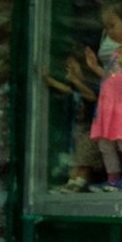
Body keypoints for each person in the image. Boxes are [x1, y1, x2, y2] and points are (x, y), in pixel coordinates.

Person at [84, 0, 122, 190]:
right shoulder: (116, 52)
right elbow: (110, 77)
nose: (109, 31)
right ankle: (112, 178)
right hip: (107, 108)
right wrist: (95, 67)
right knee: (105, 145)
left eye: (112, 25)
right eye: (106, 27)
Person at [44, 54, 103, 192]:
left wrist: (75, 80)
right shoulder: (75, 85)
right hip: (80, 130)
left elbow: (91, 96)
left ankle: (78, 184)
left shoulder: (91, 83)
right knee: (78, 160)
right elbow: (69, 91)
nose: (69, 68)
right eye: (67, 66)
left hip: (91, 130)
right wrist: (49, 81)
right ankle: (72, 183)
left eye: (73, 64)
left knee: (85, 161)